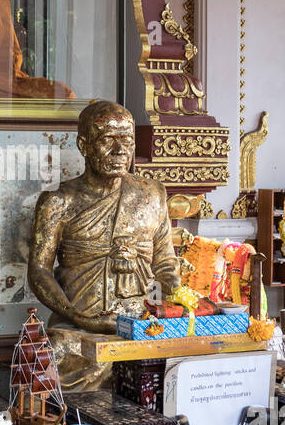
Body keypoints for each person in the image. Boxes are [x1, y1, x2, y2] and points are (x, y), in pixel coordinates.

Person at [27, 99, 179, 386]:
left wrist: (173, 308)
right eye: (108, 140)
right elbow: (39, 271)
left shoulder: (152, 195)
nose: (120, 150)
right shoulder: (58, 202)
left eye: (127, 140)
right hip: (82, 327)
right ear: (84, 146)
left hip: (146, 324)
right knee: (56, 351)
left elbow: (165, 263)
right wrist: (81, 317)